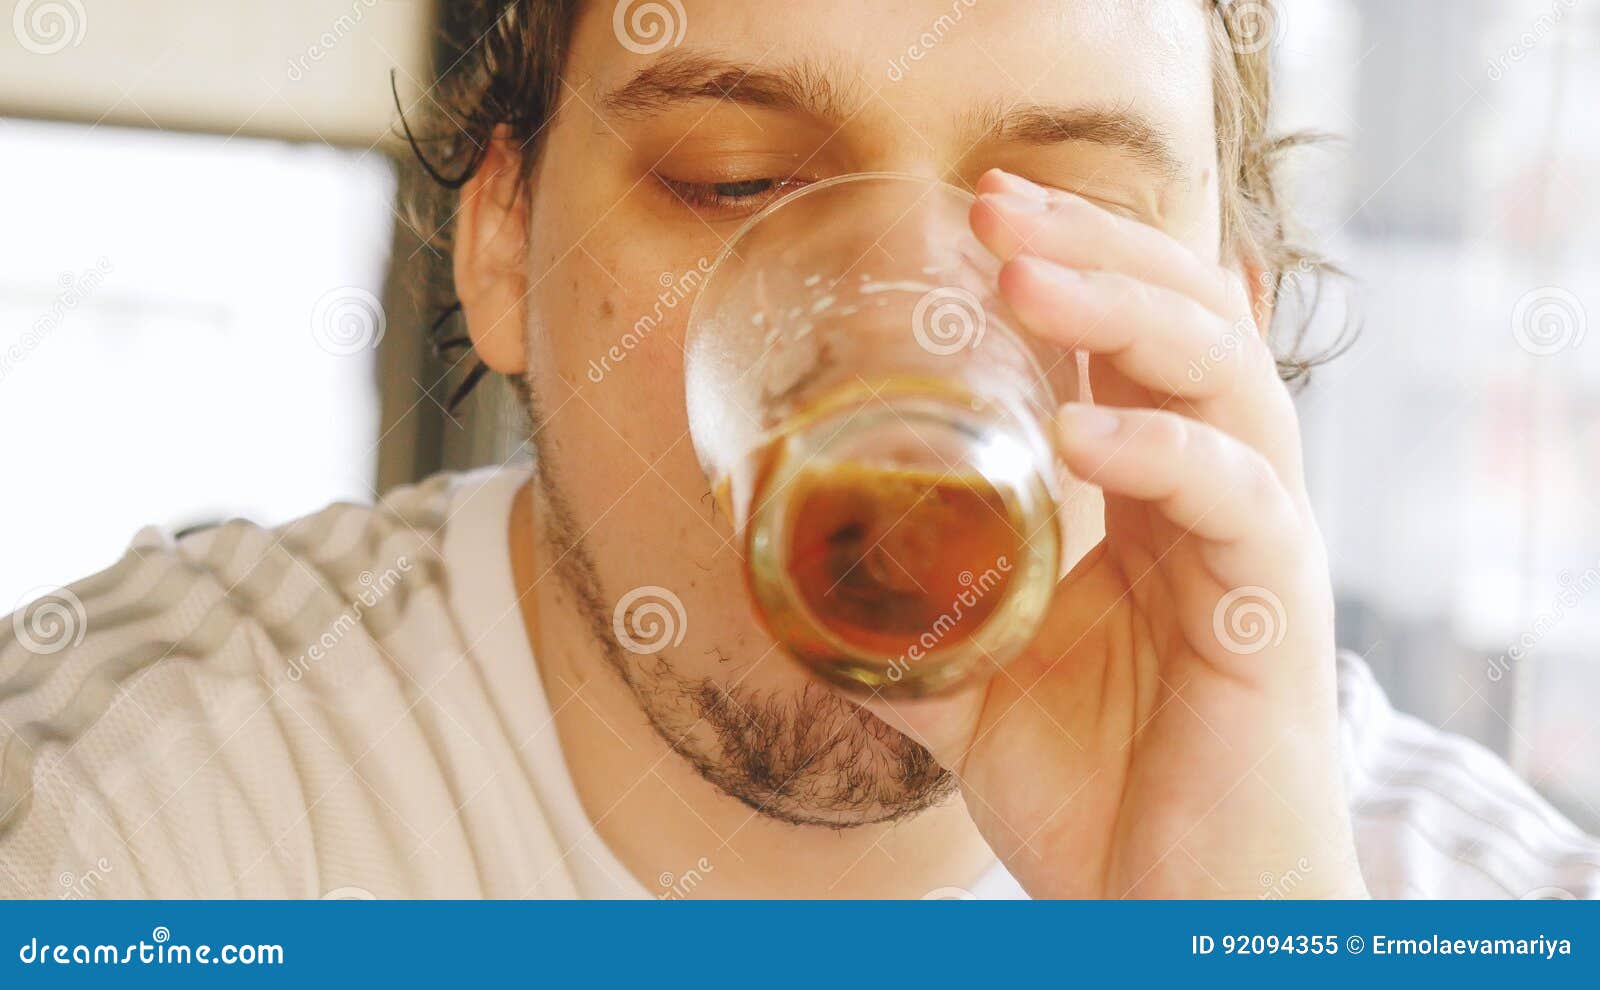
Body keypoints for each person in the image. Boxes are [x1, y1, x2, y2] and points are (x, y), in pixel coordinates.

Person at [2, 0, 1596, 900]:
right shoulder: (123, 812)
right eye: (737, 178)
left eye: (1070, 218)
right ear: (501, 245)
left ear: (1225, 326)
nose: (902, 333)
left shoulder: (1471, 902)